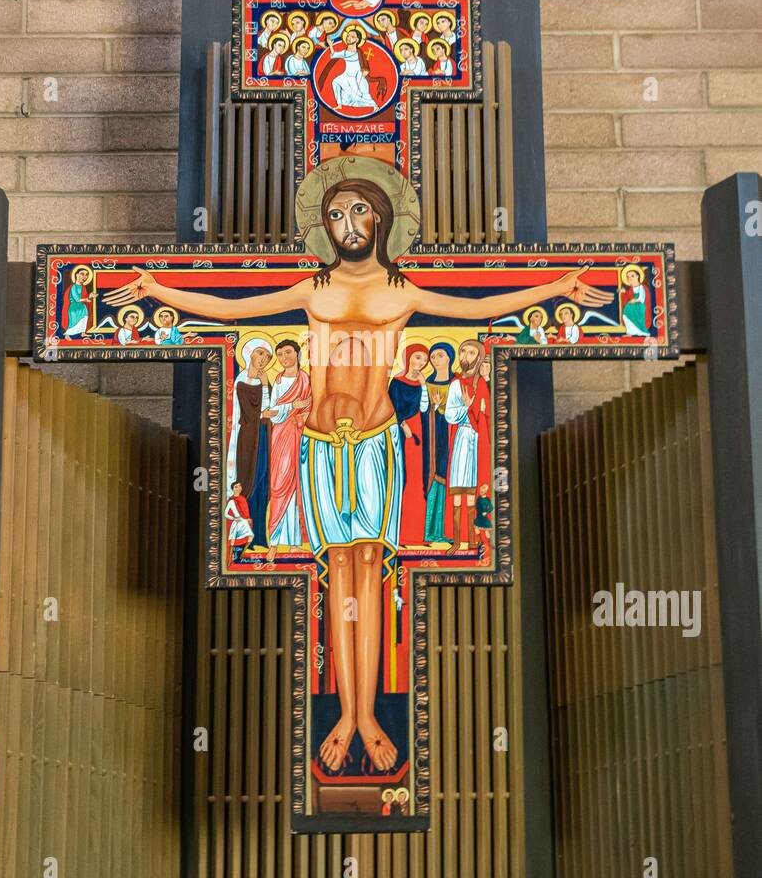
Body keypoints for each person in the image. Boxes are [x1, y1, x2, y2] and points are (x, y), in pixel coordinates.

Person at [106, 171, 611, 775]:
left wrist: (555, 286)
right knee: (336, 576)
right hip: (320, 445)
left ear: (380, 218)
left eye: (358, 212)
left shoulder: (403, 292)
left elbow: (481, 307)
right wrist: (156, 289)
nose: (347, 226)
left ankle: (364, 716)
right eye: (336, 216)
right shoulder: (311, 288)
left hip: (375, 446)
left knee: (369, 571)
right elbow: (230, 309)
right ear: (325, 227)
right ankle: (345, 716)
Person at [262, 338, 312, 560]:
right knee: (280, 485)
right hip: (281, 436)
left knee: (299, 486)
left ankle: (294, 544)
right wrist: (292, 406)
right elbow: (271, 411)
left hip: (300, 435)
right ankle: (274, 542)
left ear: (298, 354)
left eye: (288, 352)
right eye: (280, 354)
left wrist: (303, 413)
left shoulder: (305, 379)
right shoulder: (279, 380)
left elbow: (311, 405)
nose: (284, 357)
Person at [444, 338, 492, 548]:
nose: (465, 356)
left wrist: (476, 410)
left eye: (471, 353)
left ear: (479, 357)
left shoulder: (482, 384)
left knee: (473, 489)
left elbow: (487, 412)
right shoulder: (456, 384)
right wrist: (467, 407)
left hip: (479, 439)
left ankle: (473, 540)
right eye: (463, 351)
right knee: (458, 489)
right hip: (462, 438)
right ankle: (456, 540)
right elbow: (449, 414)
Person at [227, 336, 273, 548]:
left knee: (263, 480)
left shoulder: (265, 382)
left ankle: (260, 536)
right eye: (260, 353)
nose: (263, 359)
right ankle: (247, 536)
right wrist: (264, 410)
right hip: (247, 438)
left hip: (263, 435)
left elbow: (269, 407)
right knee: (249, 481)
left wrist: (265, 387)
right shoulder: (241, 382)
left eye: (267, 356)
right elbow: (251, 412)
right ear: (249, 354)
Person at [388, 343, 430, 546]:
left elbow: (424, 408)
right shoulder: (397, 383)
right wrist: (404, 426)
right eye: (417, 357)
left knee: (418, 478)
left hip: (418, 431)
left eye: (424, 359)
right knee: (402, 477)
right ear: (408, 358)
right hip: (402, 432)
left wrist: (423, 385)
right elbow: (391, 408)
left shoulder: (421, 383)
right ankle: (400, 535)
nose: (421, 362)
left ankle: (417, 534)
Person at [421, 341, 456, 545]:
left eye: (440, 355)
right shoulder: (428, 383)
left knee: (448, 478)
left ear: (450, 358)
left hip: (451, 436)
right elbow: (423, 412)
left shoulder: (456, 382)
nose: (435, 360)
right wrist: (434, 407)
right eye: (432, 357)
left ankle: (444, 530)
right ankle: (430, 532)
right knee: (434, 479)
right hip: (433, 437)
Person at [320, 23, 381, 111]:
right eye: (348, 36)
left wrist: (365, 71)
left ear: (357, 40)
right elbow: (333, 55)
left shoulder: (359, 53)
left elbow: (365, 65)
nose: (349, 38)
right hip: (346, 75)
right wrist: (330, 45)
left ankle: (375, 106)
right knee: (335, 82)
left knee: (357, 96)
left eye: (352, 37)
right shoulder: (345, 52)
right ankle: (339, 104)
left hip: (356, 76)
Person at [62, 265, 93, 339]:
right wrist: (86, 299)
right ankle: (67, 335)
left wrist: (90, 297)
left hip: (82, 307)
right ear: (76, 275)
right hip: (74, 308)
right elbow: (77, 299)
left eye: (86, 275)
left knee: (84, 319)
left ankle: (83, 333)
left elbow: (85, 299)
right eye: (82, 274)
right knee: (73, 322)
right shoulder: (73, 287)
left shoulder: (83, 287)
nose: (84, 277)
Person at [225, 482, 253, 563]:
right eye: (236, 487)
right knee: (232, 540)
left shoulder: (243, 499)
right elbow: (225, 514)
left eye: (239, 486)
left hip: (244, 521)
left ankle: (242, 553)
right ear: (233, 489)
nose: (238, 488)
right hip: (236, 522)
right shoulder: (231, 501)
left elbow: (245, 511)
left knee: (251, 536)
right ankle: (230, 558)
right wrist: (233, 518)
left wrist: (248, 518)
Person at [620, 265, 651, 336]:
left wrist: (635, 300)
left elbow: (642, 298)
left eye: (632, 276)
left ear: (637, 276)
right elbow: (629, 297)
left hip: (640, 306)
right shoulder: (631, 289)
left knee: (631, 311)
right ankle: (630, 332)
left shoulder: (641, 287)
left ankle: (642, 332)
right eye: (628, 277)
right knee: (626, 314)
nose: (630, 278)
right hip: (632, 306)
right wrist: (624, 292)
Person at [474, 483, 493, 563]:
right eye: (481, 490)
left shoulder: (487, 499)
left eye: (483, 491)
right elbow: (476, 506)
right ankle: (480, 541)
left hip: (484, 518)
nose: (481, 491)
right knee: (476, 529)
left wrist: (486, 512)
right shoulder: (478, 498)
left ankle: (490, 543)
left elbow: (491, 508)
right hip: (478, 517)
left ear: (486, 491)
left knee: (487, 532)